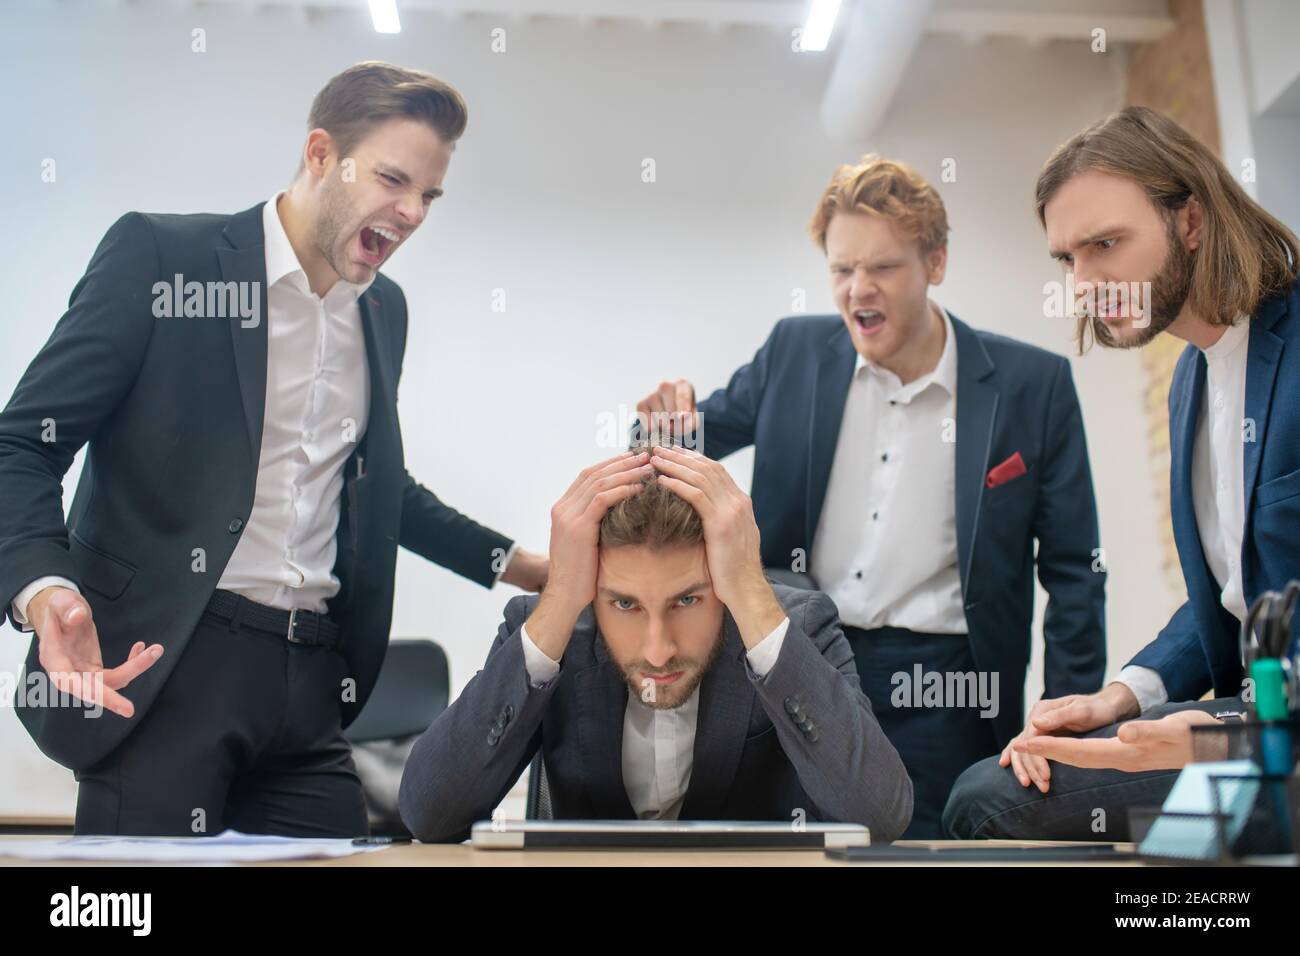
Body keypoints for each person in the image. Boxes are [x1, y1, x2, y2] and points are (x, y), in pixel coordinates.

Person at [0, 61, 546, 837]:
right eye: (394, 179)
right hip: (167, 668)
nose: (413, 211)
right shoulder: (164, 260)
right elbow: (23, 442)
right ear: (321, 154)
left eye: (428, 195)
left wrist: (527, 569)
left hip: (308, 682)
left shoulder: (383, 310)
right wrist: (45, 591)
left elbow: (381, 488)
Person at [633, 155, 1106, 835]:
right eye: (841, 270)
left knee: (929, 854)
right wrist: (656, 432)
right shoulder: (792, 353)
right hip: (802, 659)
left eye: (882, 268)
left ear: (935, 263)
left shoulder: (1033, 387)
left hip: (948, 687)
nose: (858, 290)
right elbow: (679, 446)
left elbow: (1073, 576)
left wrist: (1068, 730)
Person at [944, 106, 1300, 841]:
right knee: (1006, 781)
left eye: (1105, 244)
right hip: (1250, 721)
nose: (1084, 283)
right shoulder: (1191, 385)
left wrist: (1216, 742)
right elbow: (1237, 601)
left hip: (1273, 735)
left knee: (989, 807)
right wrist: (1121, 697)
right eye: (1068, 259)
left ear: (1191, 222)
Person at [398, 445, 913, 843]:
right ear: (591, 593)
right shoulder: (548, 628)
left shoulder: (796, 626)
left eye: (687, 601)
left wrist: (751, 592)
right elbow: (429, 813)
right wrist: (558, 603)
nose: (658, 649)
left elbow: (880, 815)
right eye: (624, 604)